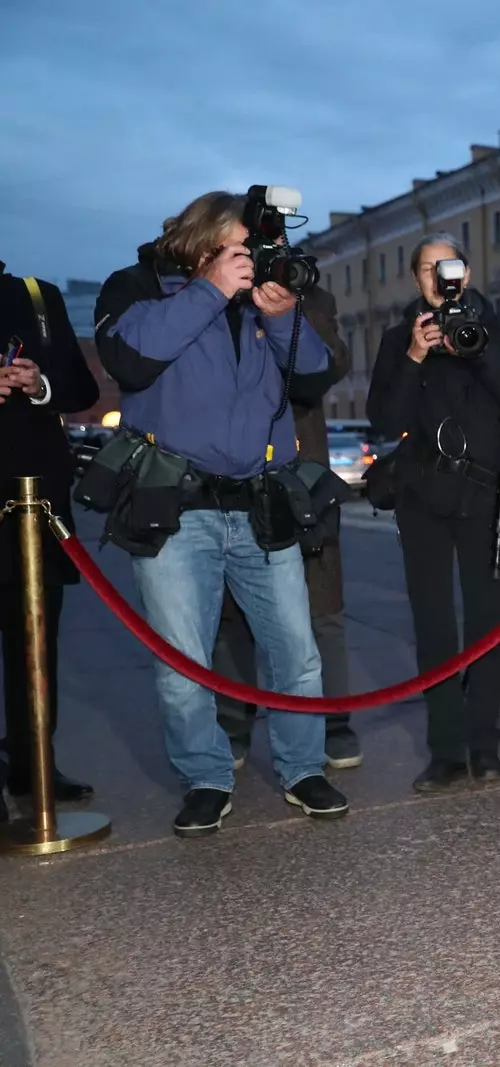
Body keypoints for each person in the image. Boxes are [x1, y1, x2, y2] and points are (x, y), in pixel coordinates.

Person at [94, 190, 347, 837]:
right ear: (205, 241)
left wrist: (286, 314)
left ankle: (302, 767)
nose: (256, 259)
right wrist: (207, 291)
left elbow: (314, 377)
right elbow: (128, 360)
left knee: (297, 650)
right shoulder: (139, 285)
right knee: (184, 662)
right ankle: (206, 777)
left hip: (260, 502)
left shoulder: (261, 300)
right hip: (177, 509)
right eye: (242, 247)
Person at [367, 235, 500, 793]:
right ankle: (445, 749)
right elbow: (382, 419)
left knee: (485, 623)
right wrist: (416, 357)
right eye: (426, 269)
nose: (437, 278)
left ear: (464, 272)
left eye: (446, 267)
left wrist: (481, 350)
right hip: (422, 494)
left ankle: (481, 743)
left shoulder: (494, 334)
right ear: (416, 278)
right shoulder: (402, 337)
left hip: (482, 497)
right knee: (434, 624)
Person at [213, 282, 361, 770]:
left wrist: (292, 307)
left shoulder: (315, 298)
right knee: (233, 611)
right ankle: (233, 724)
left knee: (323, 603)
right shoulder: (222, 296)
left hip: (304, 474)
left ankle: (334, 723)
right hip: (236, 472)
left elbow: (332, 365)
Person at [0, 264, 101, 816]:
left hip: (36, 493)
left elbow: (81, 388)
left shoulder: (37, 296)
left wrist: (39, 386)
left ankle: (31, 761)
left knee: (34, 637)